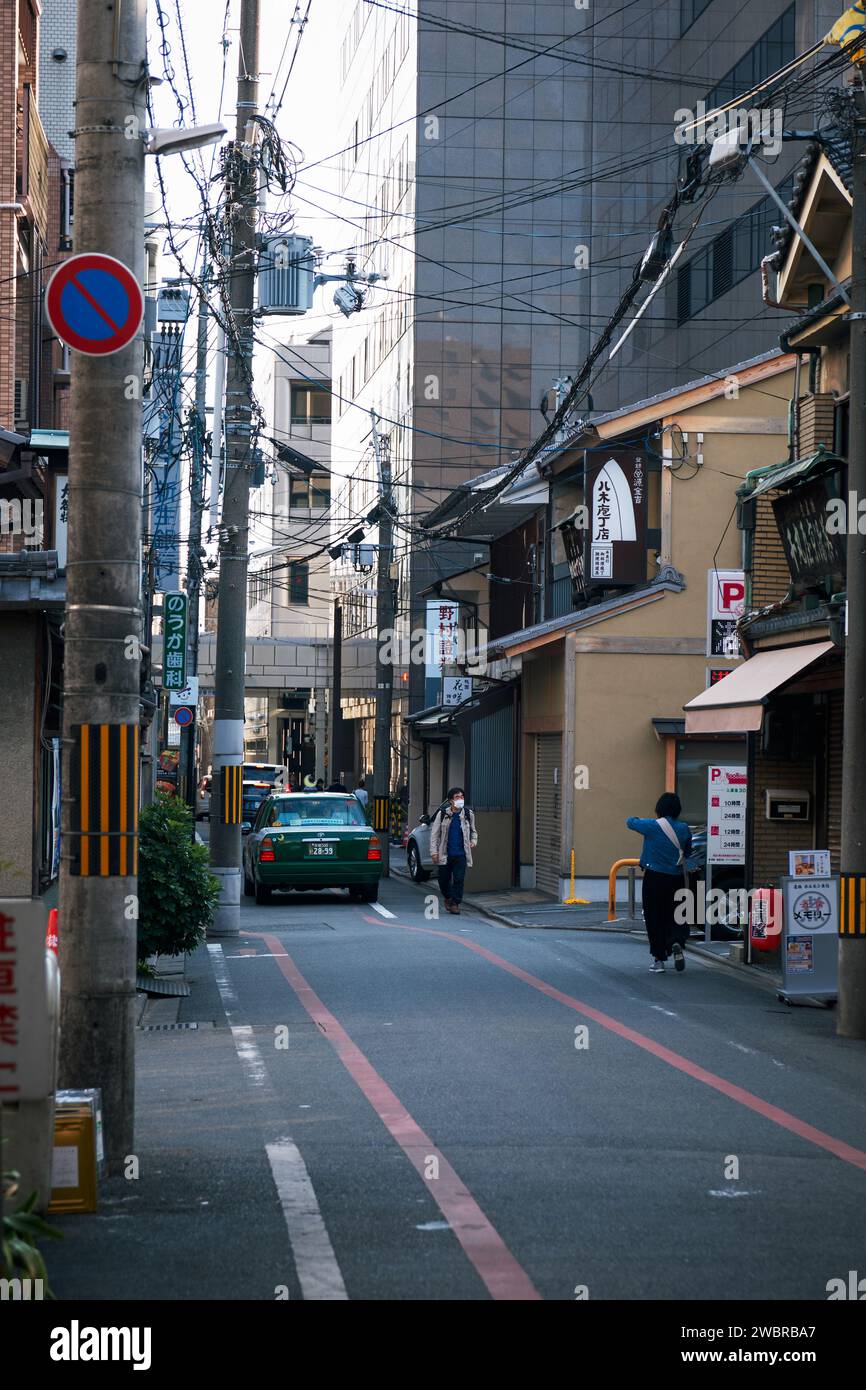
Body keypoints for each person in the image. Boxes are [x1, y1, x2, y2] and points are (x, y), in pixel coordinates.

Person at [626, 793, 692, 973]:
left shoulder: (651, 826)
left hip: (654, 878)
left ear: (659, 808)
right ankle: (676, 941)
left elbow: (630, 821)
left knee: (655, 918)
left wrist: (641, 819)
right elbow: (687, 852)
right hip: (676, 878)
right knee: (676, 914)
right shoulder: (684, 828)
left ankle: (659, 959)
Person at [430, 786, 477, 915]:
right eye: (457, 797)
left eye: (462, 797)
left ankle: (455, 903)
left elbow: (473, 831)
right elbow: (435, 835)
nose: (460, 799)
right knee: (443, 880)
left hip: (461, 854)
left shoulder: (468, 814)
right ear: (451, 800)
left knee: (459, 879)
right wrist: (434, 852)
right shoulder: (443, 814)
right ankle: (448, 898)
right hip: (445, 853)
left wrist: (473, 841)